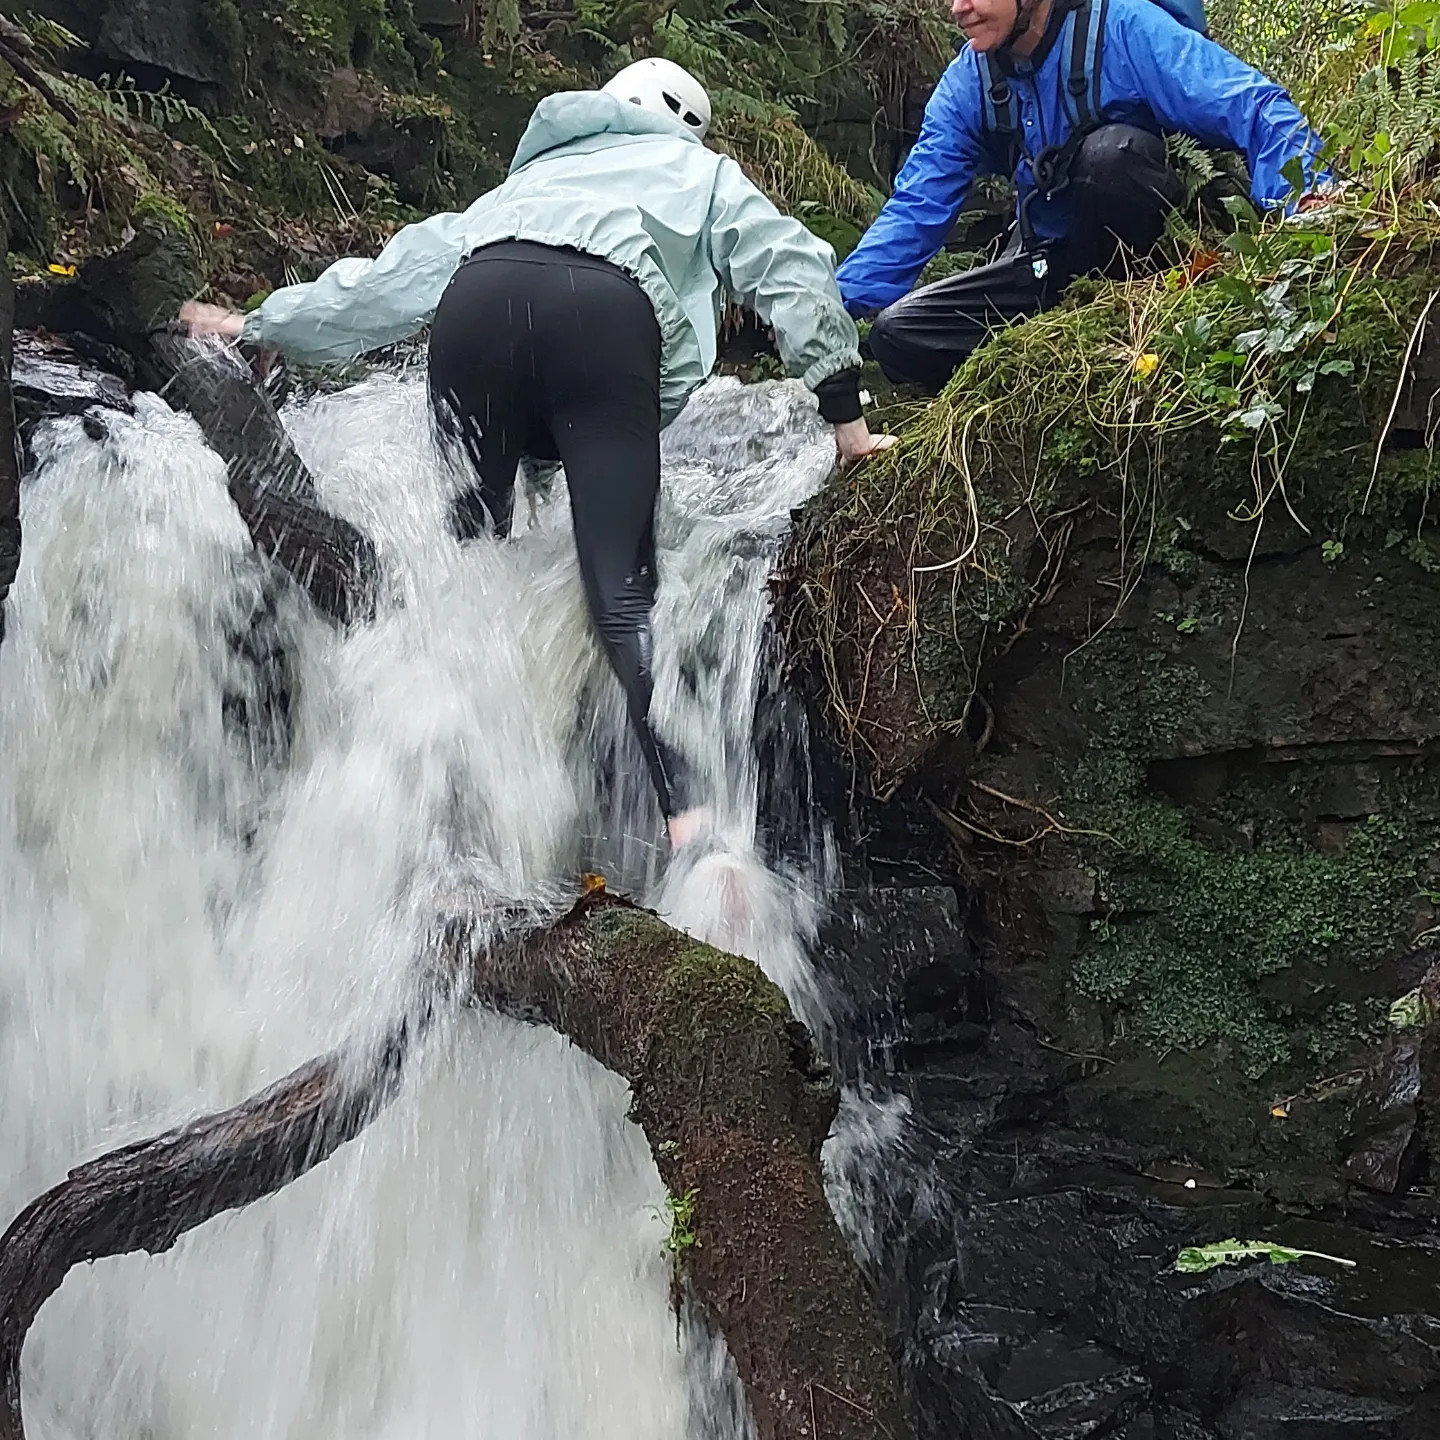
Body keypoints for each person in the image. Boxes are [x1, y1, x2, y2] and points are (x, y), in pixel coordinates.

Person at [182, 57, 893, 849]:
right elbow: (791, 265)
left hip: (475, 310)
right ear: (691, 126)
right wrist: (844, 417)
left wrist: (260, 324)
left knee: (469, 557)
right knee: (619, 589)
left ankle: (434, 798)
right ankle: (689, 816)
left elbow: (390, 281)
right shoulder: (700, 170)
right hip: (601, 325)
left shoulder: (526, 183)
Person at [836, 0, 1330, 391]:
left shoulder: (1122, 26)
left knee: (1109, 159)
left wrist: (1308, 198)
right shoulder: (969, 82)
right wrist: (823, 303)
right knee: (897, 334)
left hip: (1142, 256)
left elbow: (1253, 104)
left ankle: (1128, 323)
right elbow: (915, 210)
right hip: (1043, 268)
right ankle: (1036, 375)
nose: (958, 8)